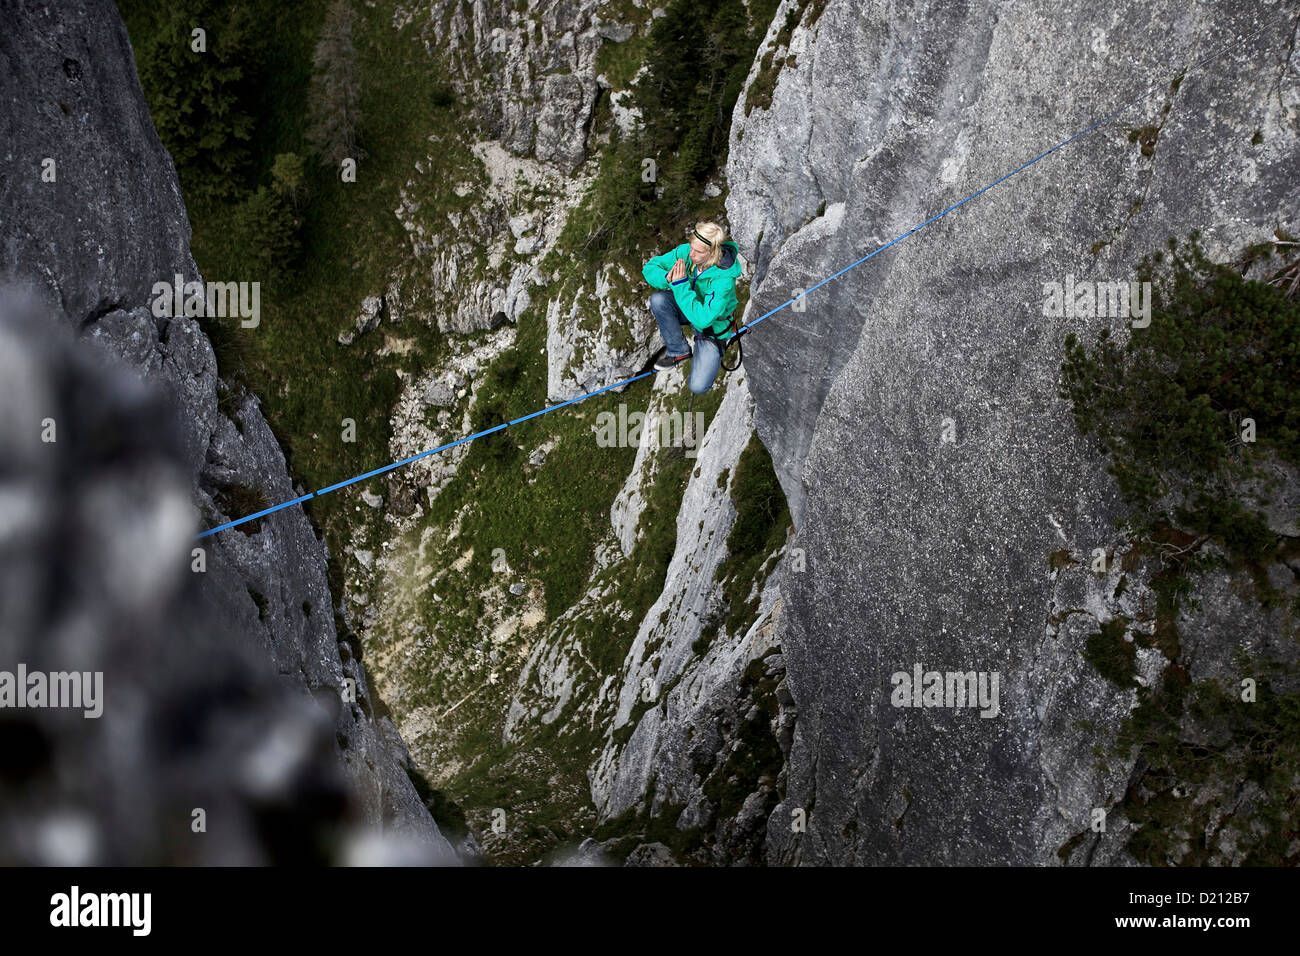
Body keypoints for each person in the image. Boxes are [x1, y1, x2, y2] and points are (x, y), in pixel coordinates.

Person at [642, 221, 743, 394]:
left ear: (712, 252)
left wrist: (680, 284)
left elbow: (703, 320)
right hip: (689, 308)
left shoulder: (723, 280)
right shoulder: (686, 254)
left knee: (698, 386)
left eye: (698, 251)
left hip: (711, 327)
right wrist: (668, 277)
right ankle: (678, 351)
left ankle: (709, 351)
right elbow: (650, 268)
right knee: (658, 300)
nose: (691, 254)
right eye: (691, 247)